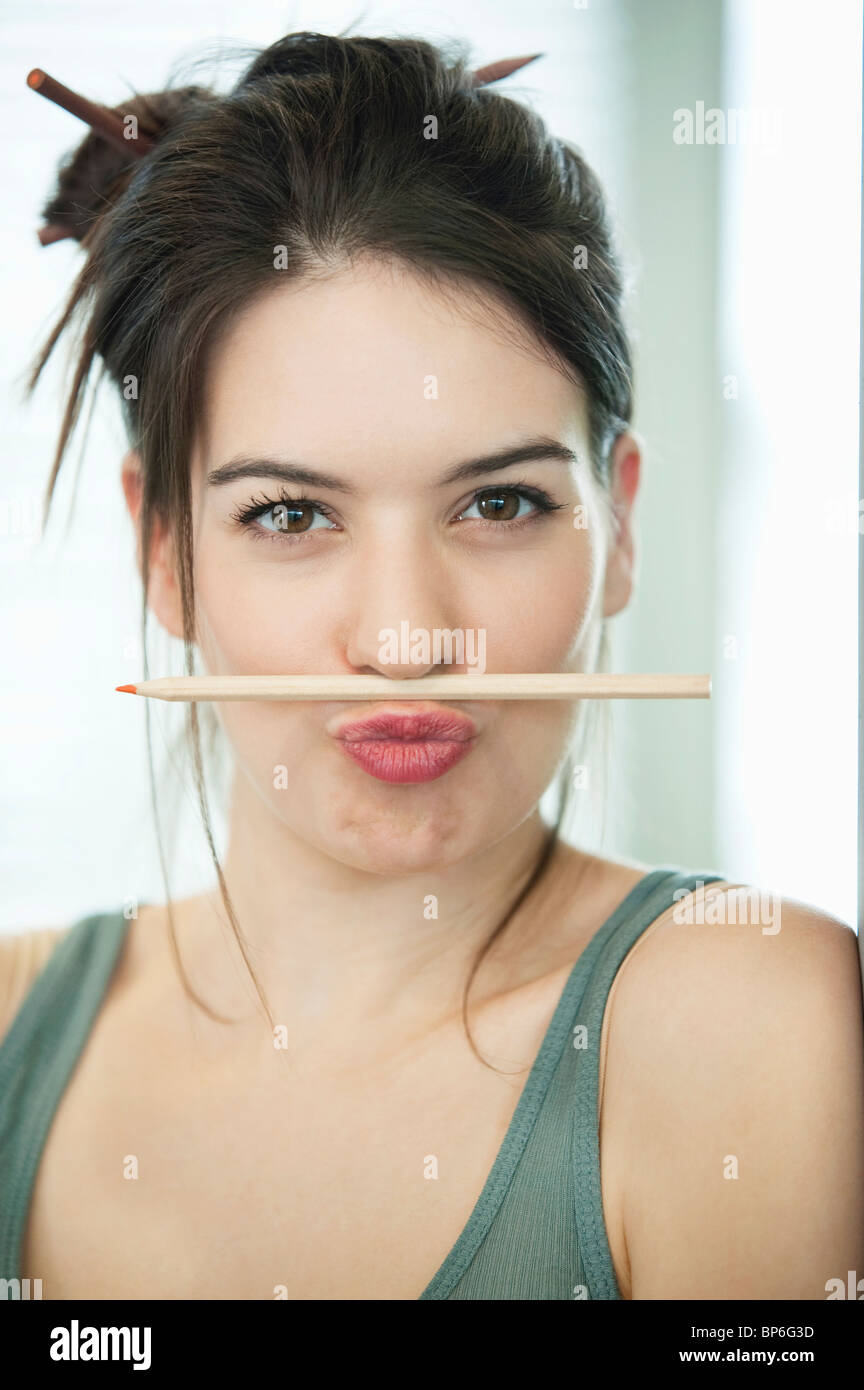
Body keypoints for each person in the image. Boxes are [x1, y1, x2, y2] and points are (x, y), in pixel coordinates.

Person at [1, 30, 861, 1301]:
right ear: (164, 552)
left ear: (619, 524)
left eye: (500, 504)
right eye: (291, 515)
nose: (406, 637)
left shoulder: (753, 1022)